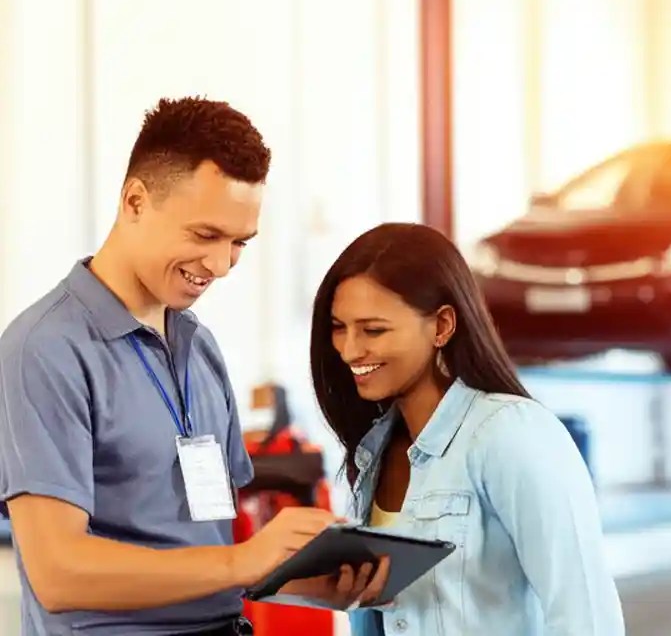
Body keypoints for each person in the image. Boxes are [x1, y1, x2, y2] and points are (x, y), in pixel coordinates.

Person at [0, 97, 386, 635]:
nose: (221, 265)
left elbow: (204, 552)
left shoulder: (198, 346)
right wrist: (244, 561)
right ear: (135, 201)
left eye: (239, 244)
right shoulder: (44, 349)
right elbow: (57, 573)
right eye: (206, 235)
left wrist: (301, 575)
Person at [310, 222, 625, 635]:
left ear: (441, 326)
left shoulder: (507, 432)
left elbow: (586, 615)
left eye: (373, 330)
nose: (350, 350)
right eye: (339, 327)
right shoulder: (374, 453)